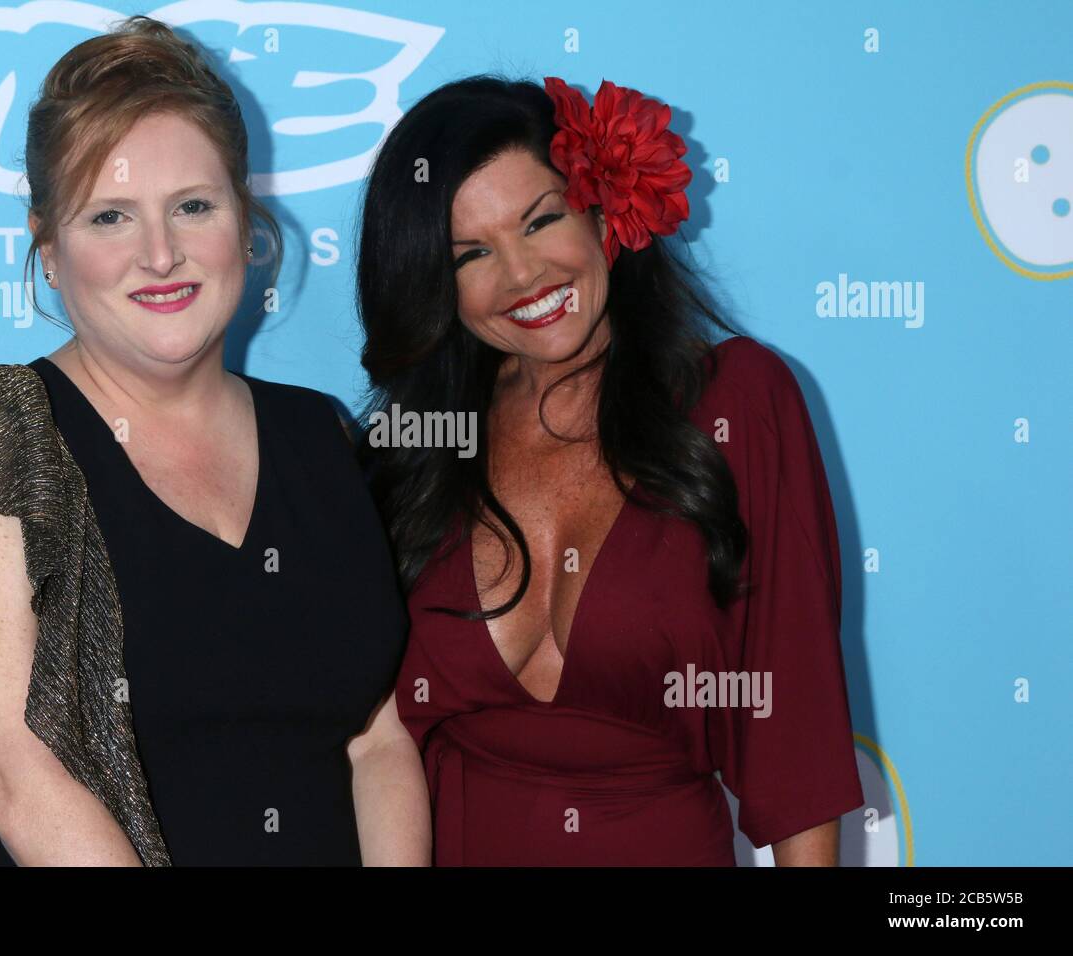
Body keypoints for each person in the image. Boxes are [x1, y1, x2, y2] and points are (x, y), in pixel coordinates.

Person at [0, 15, 429, 866]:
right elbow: (17, 782)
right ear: (49, 249)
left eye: (193, 206)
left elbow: (375, 742)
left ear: (245, 221)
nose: (160, 254)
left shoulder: (319, 434)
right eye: (110, 216)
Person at [354, 75, 865, 865]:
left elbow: (795, 736)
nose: (522, 275)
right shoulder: (416, 448)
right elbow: (366, 744)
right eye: (473, 255)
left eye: (540, 220)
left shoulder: (736, 401)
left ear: (603, 212)